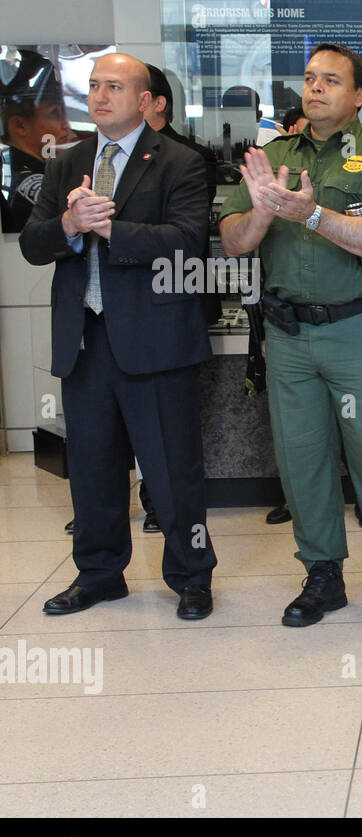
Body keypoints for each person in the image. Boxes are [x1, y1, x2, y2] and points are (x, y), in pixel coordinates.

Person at [219, 42, 362, 633]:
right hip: (289, 338)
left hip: (361, 332)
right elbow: (234, 239)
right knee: (301, 461)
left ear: (360, 95)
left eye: (331, 81)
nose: (315, 89)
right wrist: (263, 210)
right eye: (310, 79)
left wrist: (309, 214)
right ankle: (323, 575)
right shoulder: (274, 154)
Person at [19, 53, 216, 620]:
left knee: (172, 470)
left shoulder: (179, 161)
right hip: (85, 339)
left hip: (156, 342)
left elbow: (185, 243)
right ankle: (100, 574)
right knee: (93, 468)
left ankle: (192, 576)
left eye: (116, 86)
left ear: (147, 100)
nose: (101, 96)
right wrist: (67, 226)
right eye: (95, 86)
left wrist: (108, 227)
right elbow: (36, 244)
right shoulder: (69, 162)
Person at [1, 49, 73, 232]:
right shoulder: (28, 179)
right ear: (20, 125)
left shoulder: (47, 167)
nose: (66, 125)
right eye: (55, 114)